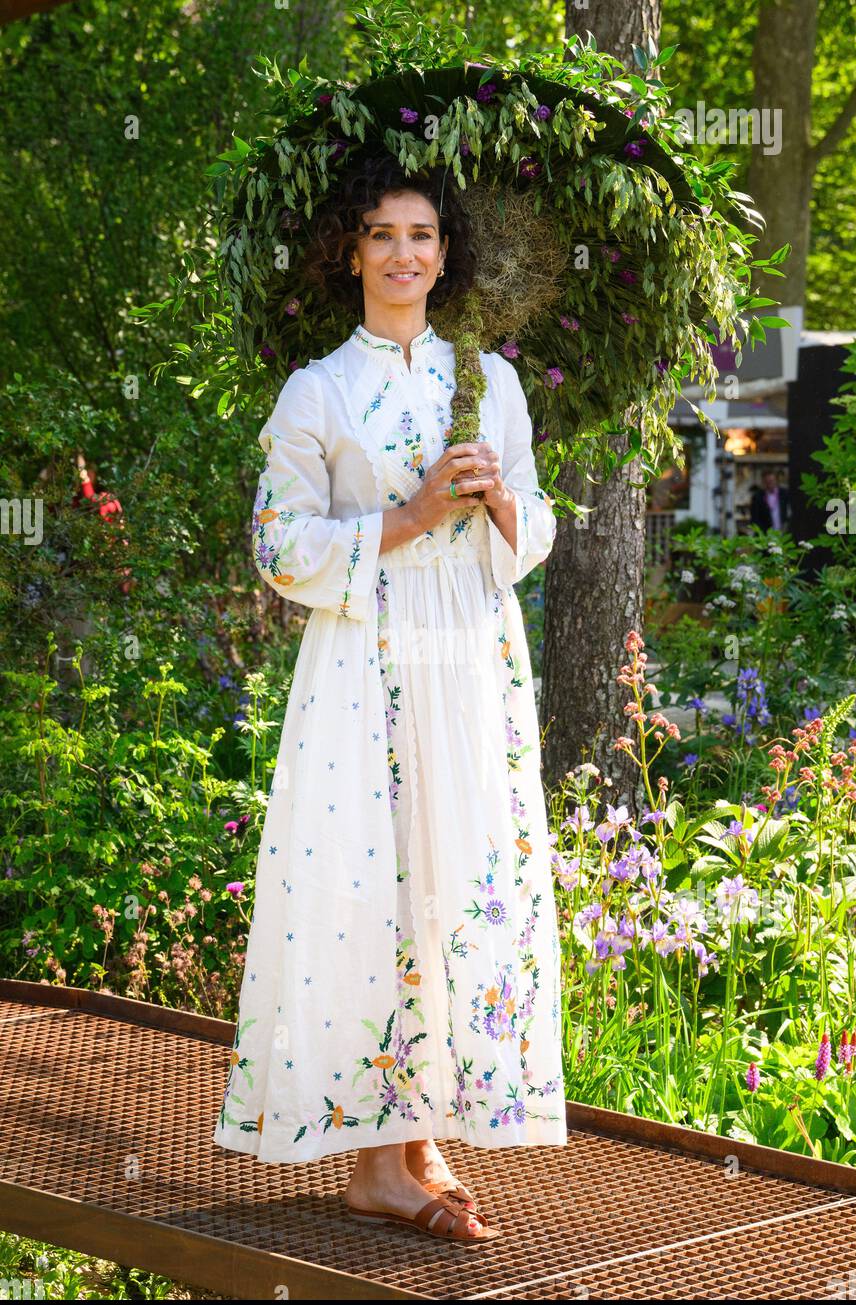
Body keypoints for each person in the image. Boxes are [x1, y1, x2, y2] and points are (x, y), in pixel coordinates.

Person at [213, 154, 568, 1244]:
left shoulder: (488, 381)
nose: (403, 253)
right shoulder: (316, 390)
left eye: (421, 234)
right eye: (381, 234)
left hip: (467, 653)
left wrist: (501, 498)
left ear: (445, 253)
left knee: (457, 871)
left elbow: (540, 528)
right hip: (365, 659)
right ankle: (371, 1156)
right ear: (351, 252)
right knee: (374, 872)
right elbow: (278, 543)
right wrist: (408, 517)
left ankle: (418, 1132)